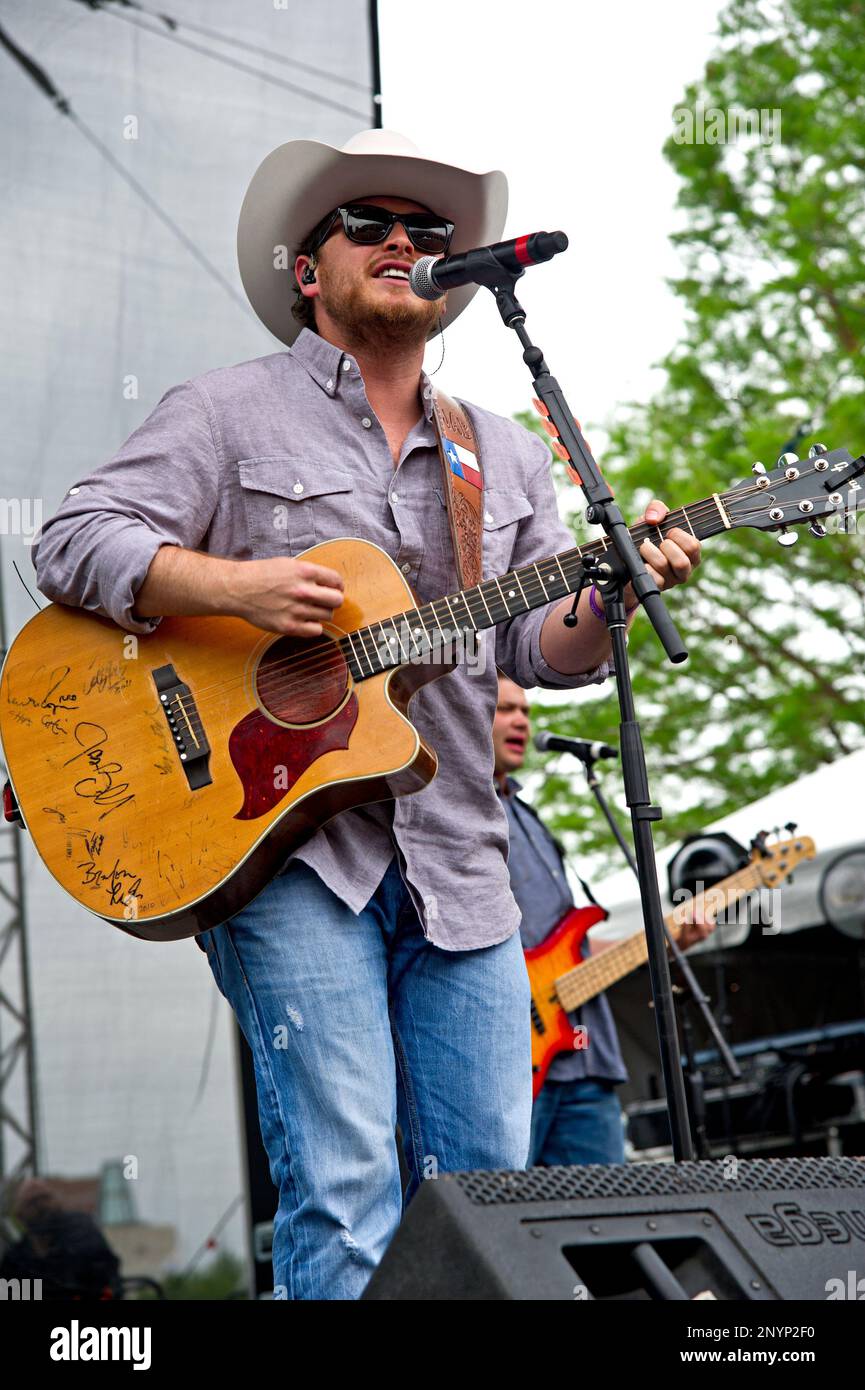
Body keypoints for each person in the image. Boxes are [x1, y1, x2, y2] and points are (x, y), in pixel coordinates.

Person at [32, 129, 701, 1298]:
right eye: (373, 224)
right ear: (308, 269)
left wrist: (612, 593)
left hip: (462, 869)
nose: (406, 243)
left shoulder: (503, 451)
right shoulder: (224, 412)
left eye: (430, 232)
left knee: (490, 1199)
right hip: (286, 853)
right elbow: (70, 540)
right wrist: (233, 586)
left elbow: (541, 649)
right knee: (345, 1195)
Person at [493, 674, 714, 1165]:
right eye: (504, 709)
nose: (520, 721)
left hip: (586, 1063)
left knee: (612, 1218)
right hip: (512, 1067)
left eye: (526, 712)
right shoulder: (464, 817)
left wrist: (669, 940)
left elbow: (579, 955)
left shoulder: (530, 818)